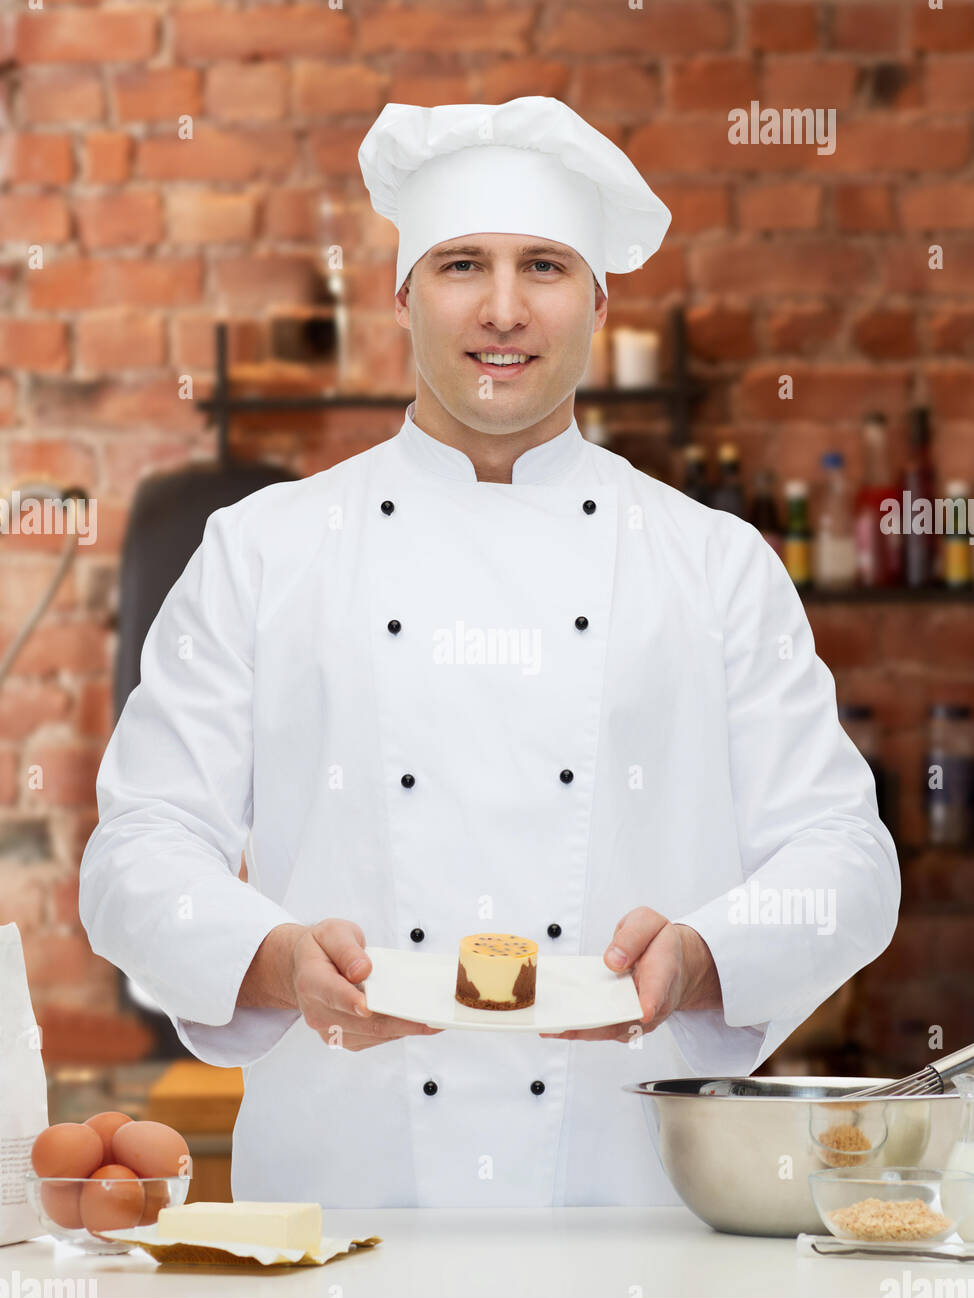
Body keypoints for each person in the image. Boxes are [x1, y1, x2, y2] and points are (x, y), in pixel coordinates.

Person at [79, 97, 900, 1208]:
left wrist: (702, 951)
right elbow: (137, 854)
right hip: (339, 1211)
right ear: (403, 290)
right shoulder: (261, 551)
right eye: (463, 263)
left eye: (545, 268)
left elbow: (845, 863)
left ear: (600, 299)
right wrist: (274, 957)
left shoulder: (712, 564)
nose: (503, 310)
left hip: (629, 1211)